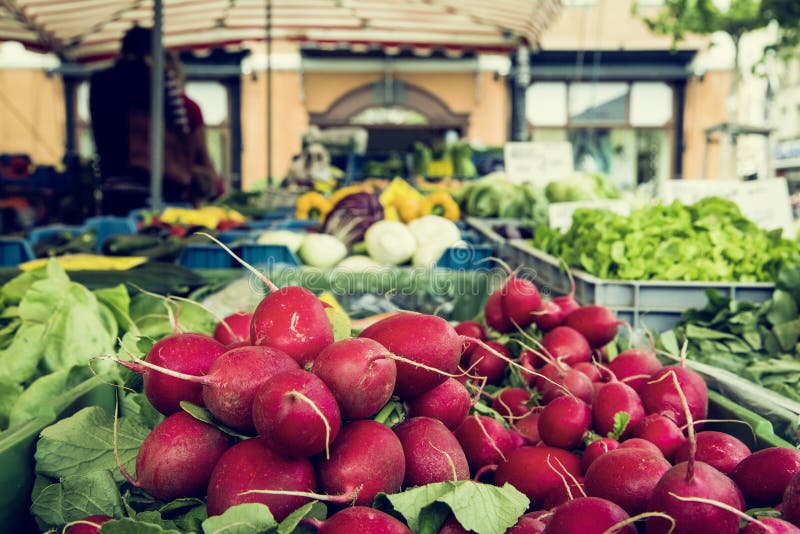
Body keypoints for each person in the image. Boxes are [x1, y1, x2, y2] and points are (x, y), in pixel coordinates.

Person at [89, 26, 221, 215]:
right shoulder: (158, 79)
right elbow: (179, 129)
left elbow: (99, 132)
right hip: (155, 186)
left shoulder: (100, 81)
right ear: (152, 49)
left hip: (113, 186)